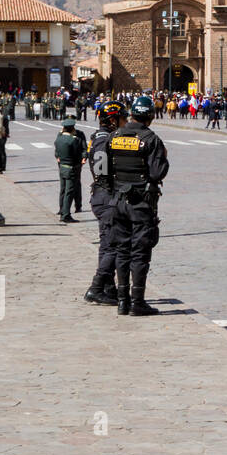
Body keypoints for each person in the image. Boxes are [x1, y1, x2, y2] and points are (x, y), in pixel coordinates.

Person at [102, 95, 170, 316]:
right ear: (150, 116)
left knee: (122, 251)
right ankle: (138, 302)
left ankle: (122, 301)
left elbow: (105, 172)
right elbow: (157, 172)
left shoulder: (113, 137)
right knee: (140, 253)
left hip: (117, 201)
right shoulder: (151, 140)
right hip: (141, 203)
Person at [83, 101, 126, 305]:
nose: (125, 122)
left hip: (104, 196)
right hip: (107, 197)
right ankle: (96, 288)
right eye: (122, 118)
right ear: (112, 119)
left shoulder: (103, 137)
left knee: (107, 244)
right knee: (114, 246)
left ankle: (109, 288)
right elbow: (101, 170)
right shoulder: (103, 140)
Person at [54, 117, 85, 223]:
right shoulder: (73, 140)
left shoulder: (59, 139)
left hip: (62, 167)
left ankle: (62, 210)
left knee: (63, 189)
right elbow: (77, 155)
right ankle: (66, 214)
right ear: (72, 128)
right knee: (69, 192)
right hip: (71, 168)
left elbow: (57, 152)